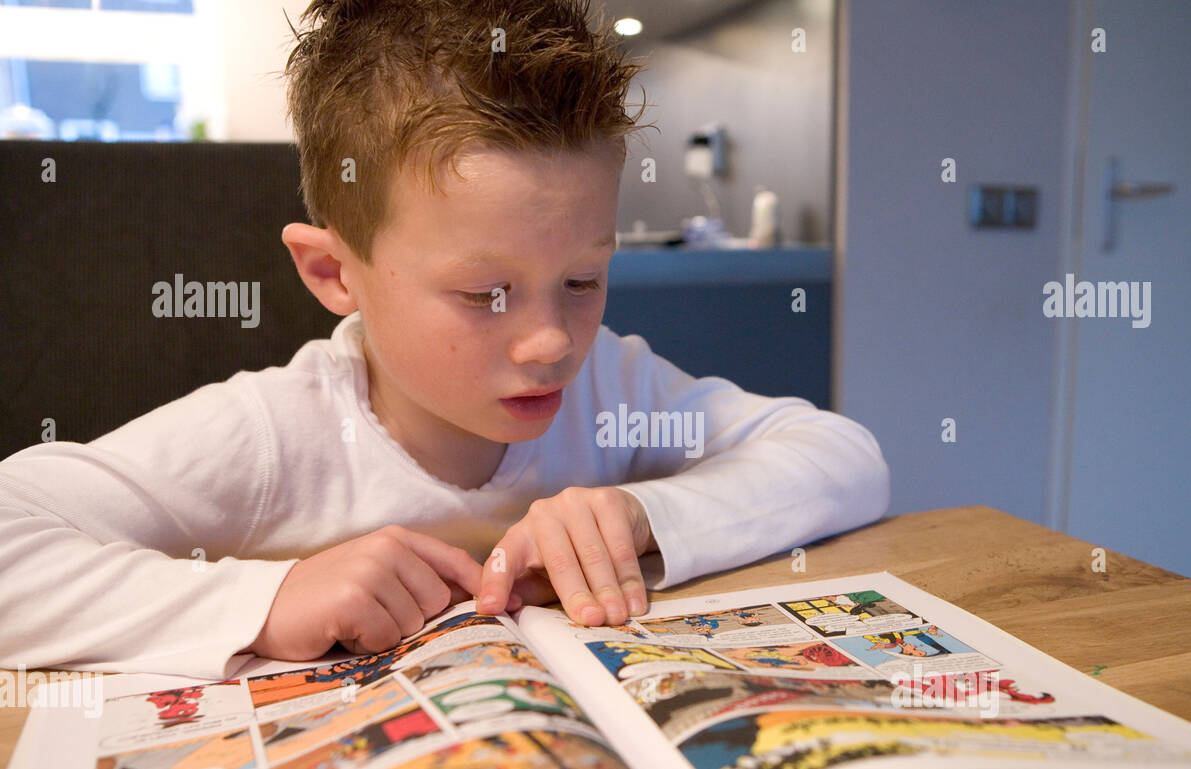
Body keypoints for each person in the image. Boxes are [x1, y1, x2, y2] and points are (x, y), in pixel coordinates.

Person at [0, 0, 889, 681]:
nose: (551, 342)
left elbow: (845, 455)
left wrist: (645, 515)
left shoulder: (616, 389)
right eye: (484, 293)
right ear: (333, 275)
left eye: (583, 280)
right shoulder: (274, 435)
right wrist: (264, 599)